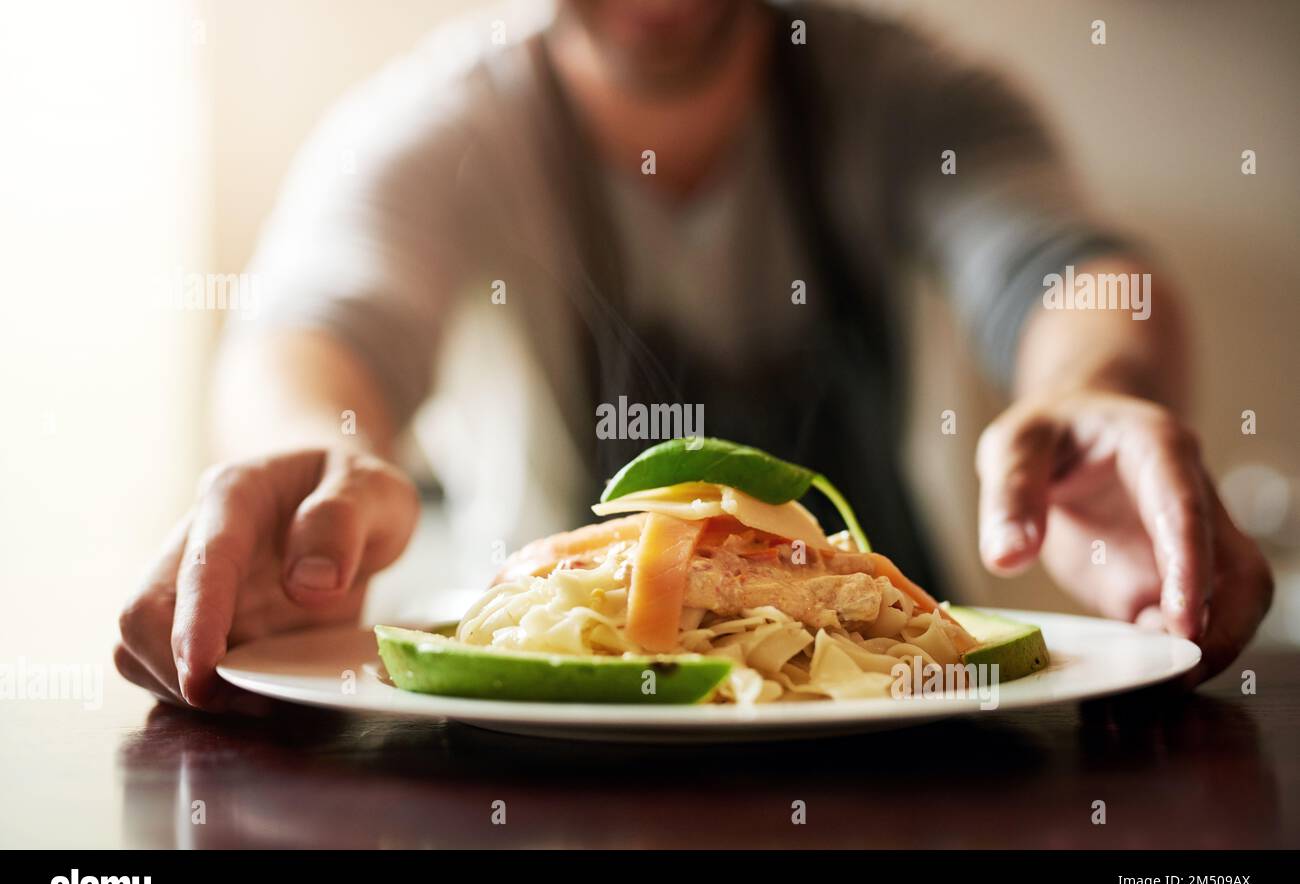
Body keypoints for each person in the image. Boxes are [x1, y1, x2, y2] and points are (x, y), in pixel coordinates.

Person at [116, 0, 1272, 714]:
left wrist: (1090, 393)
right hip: (544, 748)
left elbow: (1072, 267)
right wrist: (310, 462)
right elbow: (315, 330)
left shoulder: (907, 94)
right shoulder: (439, 128)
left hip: (896, 738)